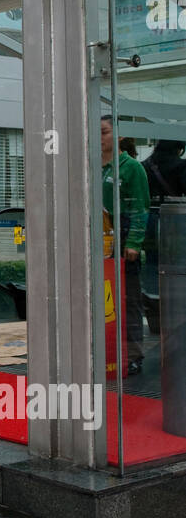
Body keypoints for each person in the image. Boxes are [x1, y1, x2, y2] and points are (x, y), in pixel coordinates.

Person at [101, 116, 150, 375]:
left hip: (123, 244)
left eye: (104, 132)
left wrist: (133, 243)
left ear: (118, 135)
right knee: (103, 301)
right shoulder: (91, 167)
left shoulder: (131, 167)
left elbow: (140, 207)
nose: (99, 138)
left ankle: (133, 355)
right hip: (99, 245)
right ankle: (104, 352)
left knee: (129, 300)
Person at [140, 140, 186, 333]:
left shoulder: (145, 165)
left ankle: (156, 317)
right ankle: (176, 314)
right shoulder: (180, 165)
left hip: (149, 220)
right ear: (179, 148)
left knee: (152, 265)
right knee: (177, 265)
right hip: (174, 222)